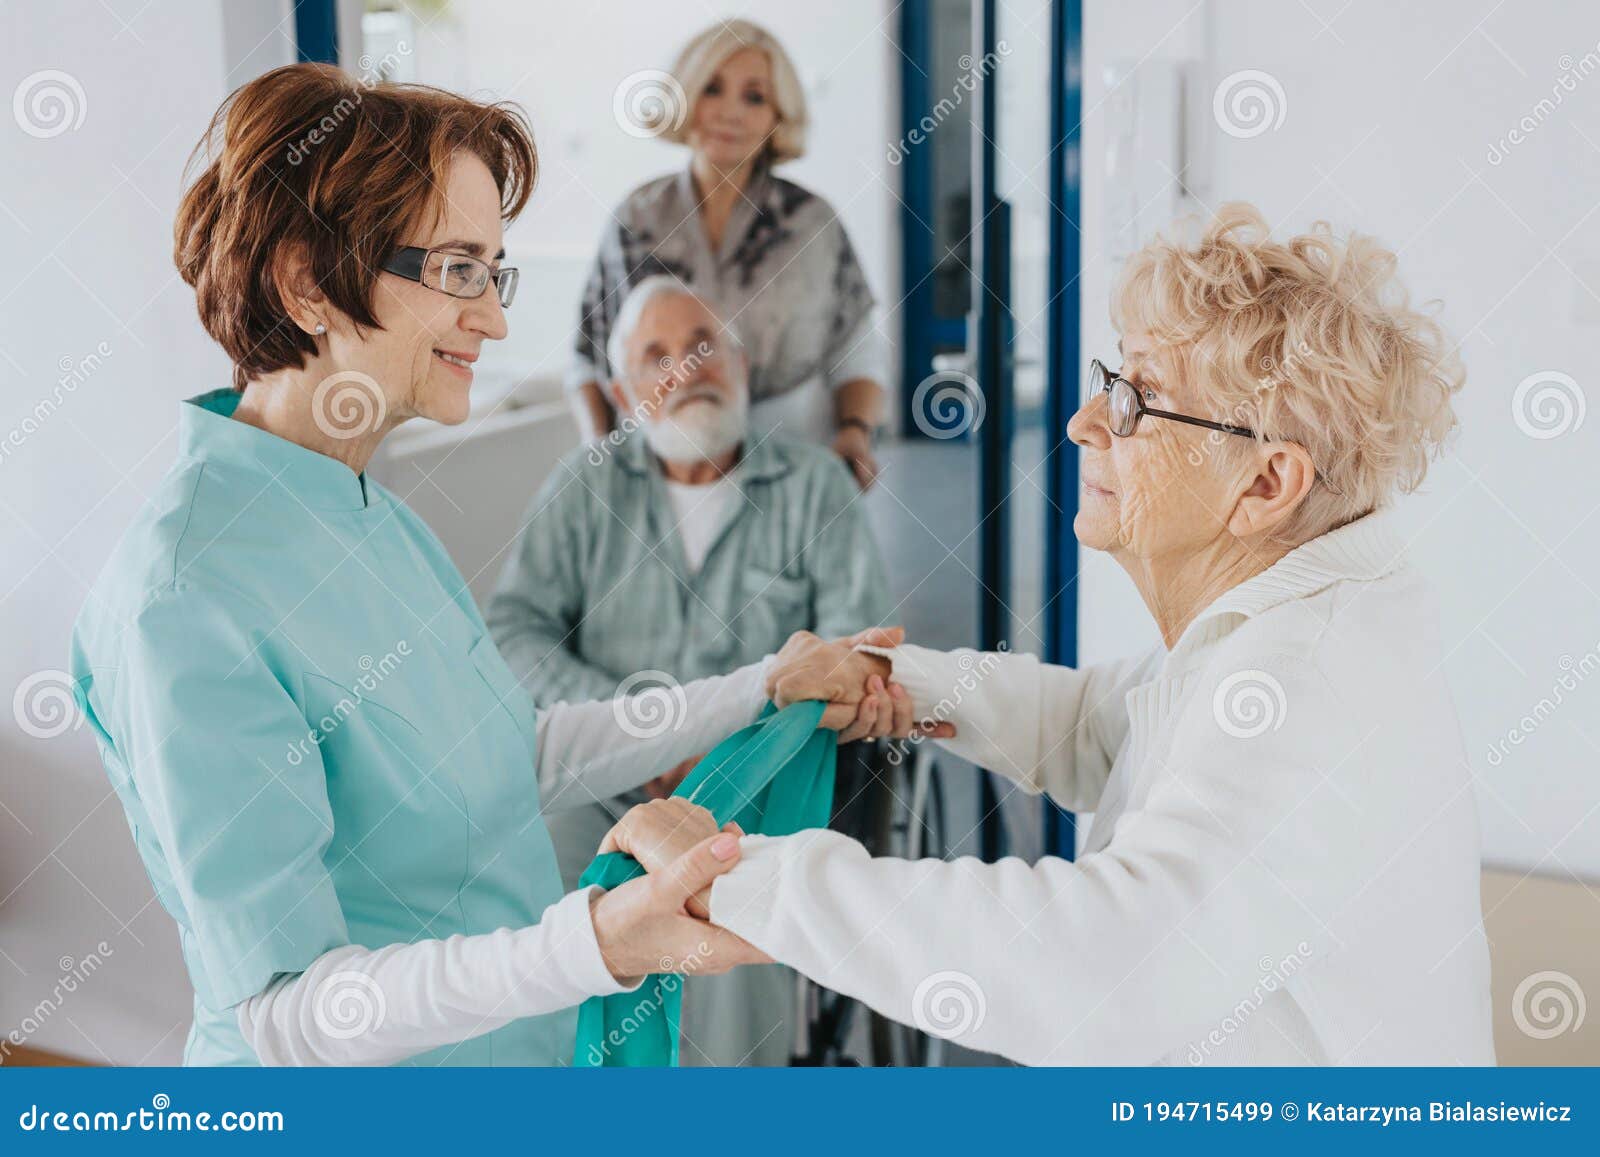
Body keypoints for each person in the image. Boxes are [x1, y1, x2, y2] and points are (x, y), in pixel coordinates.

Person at [67, 63, 871, 1067]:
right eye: (456, 270)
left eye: (495, 272)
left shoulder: (368, 510)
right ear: (307, 283)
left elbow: (507, 755)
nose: (492, 318)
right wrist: (589, 945)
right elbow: (285, 1009)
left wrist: (759, 686)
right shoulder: (186, 596)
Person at [605, 205, 1498, 1066]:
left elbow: (1101, 971)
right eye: (1116, 381)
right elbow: (1102, 727)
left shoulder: (1308, 682)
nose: (1083, 423)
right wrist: (892, 677)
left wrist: (738, 876)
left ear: (1266, 483)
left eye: (1141, 403)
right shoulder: (1285, 616)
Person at [488, 275, 890, 1064]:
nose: (687, 368)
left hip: (753, 787)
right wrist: (634, 735)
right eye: (657, 354)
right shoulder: (582, 488)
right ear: (620, 390)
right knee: (529, 880)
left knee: (727, 910)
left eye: (705, 345)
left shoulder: (814, 487)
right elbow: (514, 628)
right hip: (603, 781)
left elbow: (857, 648)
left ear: (740, 364)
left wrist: (726, 752)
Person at [568, 18, 887, 487]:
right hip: (664, 470)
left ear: (778, 115)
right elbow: (587, 353)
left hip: (794, 464)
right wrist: (599, 451)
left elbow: (855, 347)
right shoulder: (636, 220)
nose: (730, 112)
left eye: (754, 96)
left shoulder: (812, 223)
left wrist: (856, 433)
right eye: (712, 88)